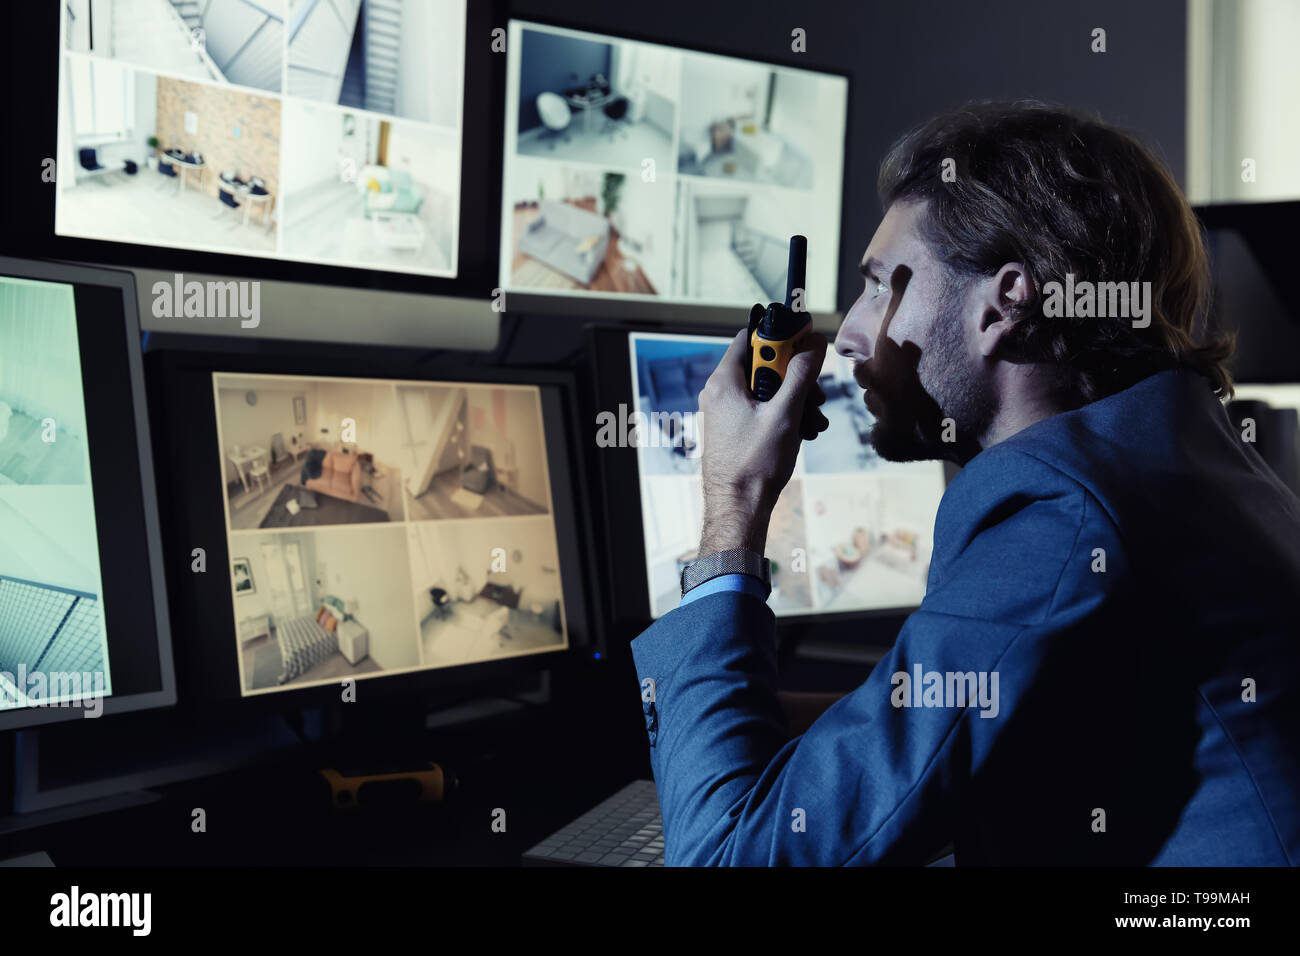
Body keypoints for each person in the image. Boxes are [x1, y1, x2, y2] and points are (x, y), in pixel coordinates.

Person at [631, 101, 1300, 865]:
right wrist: (714, 716)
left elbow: (728, 858)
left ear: (1005, 303)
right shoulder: (1176, 456)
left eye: (881, 286)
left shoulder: (1063, 517)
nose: (849, 333)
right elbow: (992, 716)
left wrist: (734, 502)